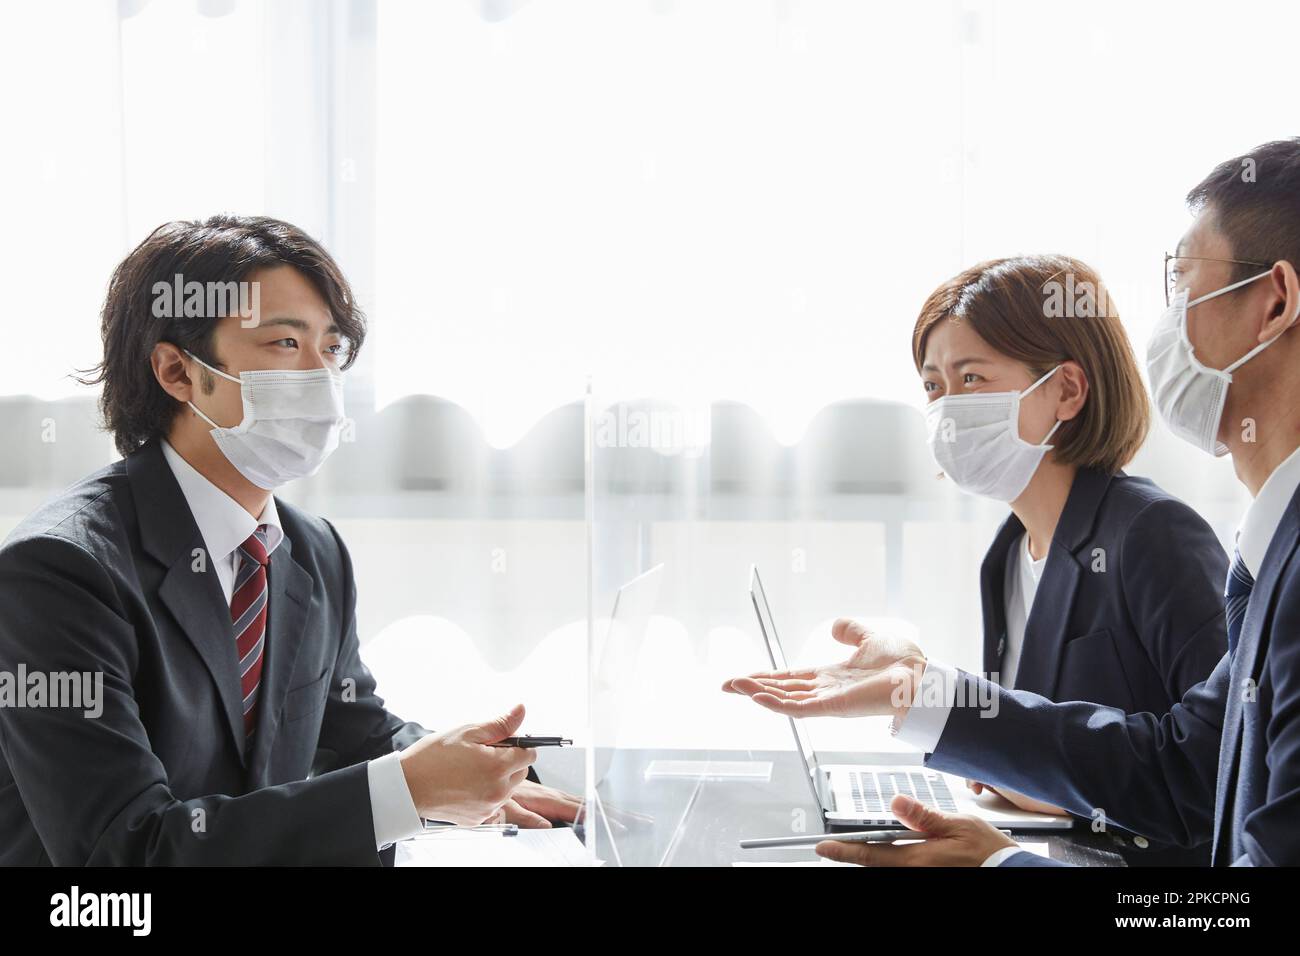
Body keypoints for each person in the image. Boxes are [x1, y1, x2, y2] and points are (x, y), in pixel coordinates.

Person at [723, 137, 1300, 868]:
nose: (1168, 322)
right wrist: (923, 694)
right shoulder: (1267, 544)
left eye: (1182, 283)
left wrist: (1002, 864)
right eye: (934, 385)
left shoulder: (1174, 536)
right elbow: (1188, 766)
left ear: (1275, 300)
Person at [0, 215, 581, 865]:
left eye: (331, 350)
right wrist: (409, 789)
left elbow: (352, 730)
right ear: (177, 373)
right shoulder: (58, 572)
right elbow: (128, 851)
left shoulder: (310, 550)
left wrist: (505, 771)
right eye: (284, 343)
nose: (321, 379)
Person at [912, 254, 1227, 865]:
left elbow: (1224, 773)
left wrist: (1050, 787)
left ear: (1066, 389)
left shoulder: (1153, 534)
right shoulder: (1006, 553)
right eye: (933, 385)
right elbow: (1038, 742)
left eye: (972, 378)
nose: (947, 407)